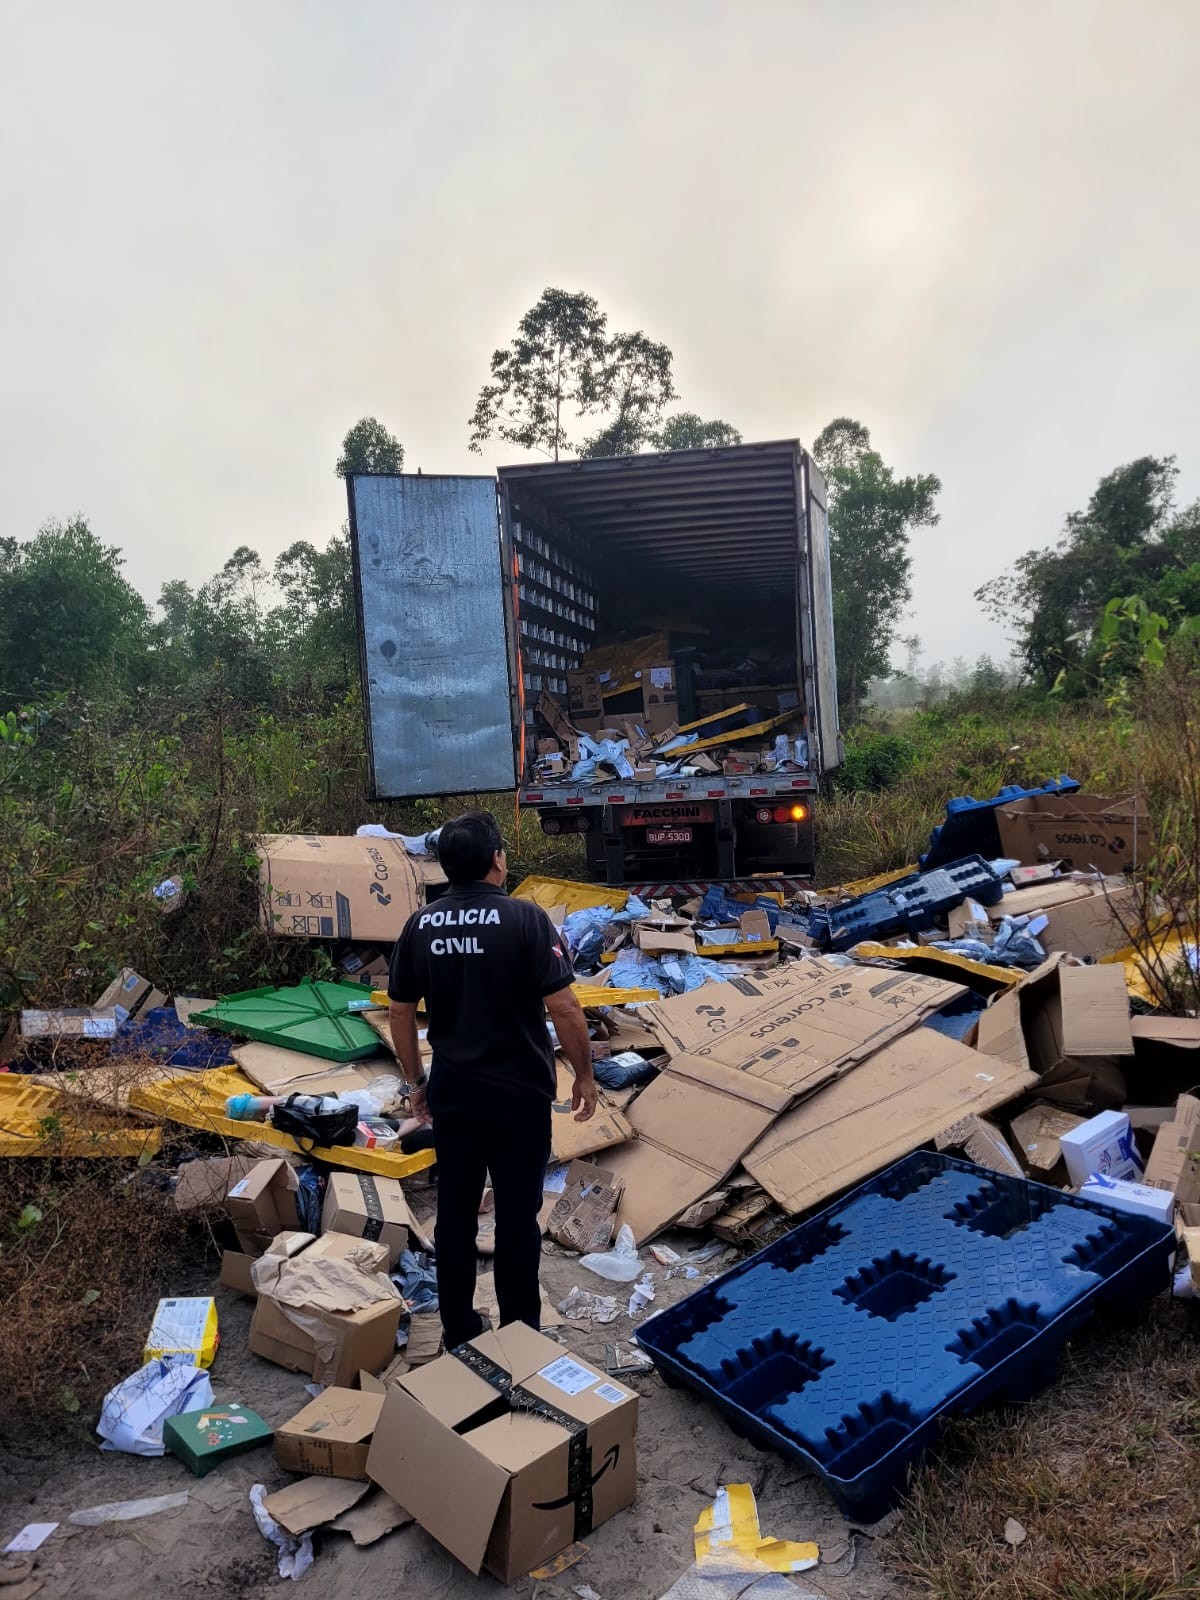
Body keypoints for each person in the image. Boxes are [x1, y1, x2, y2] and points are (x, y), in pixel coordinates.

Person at [387, 809, 598, 1349]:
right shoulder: (526, 920)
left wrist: (416, 1083)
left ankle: (459, 1331)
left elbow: (401, 1013)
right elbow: (566, 1008)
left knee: (454, 1214)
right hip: (519, 1096)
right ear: (497, 861)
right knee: (517, 1218)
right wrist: (584, 1075)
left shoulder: (420, 925)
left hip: (455, 1095)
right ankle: (520, 1332)